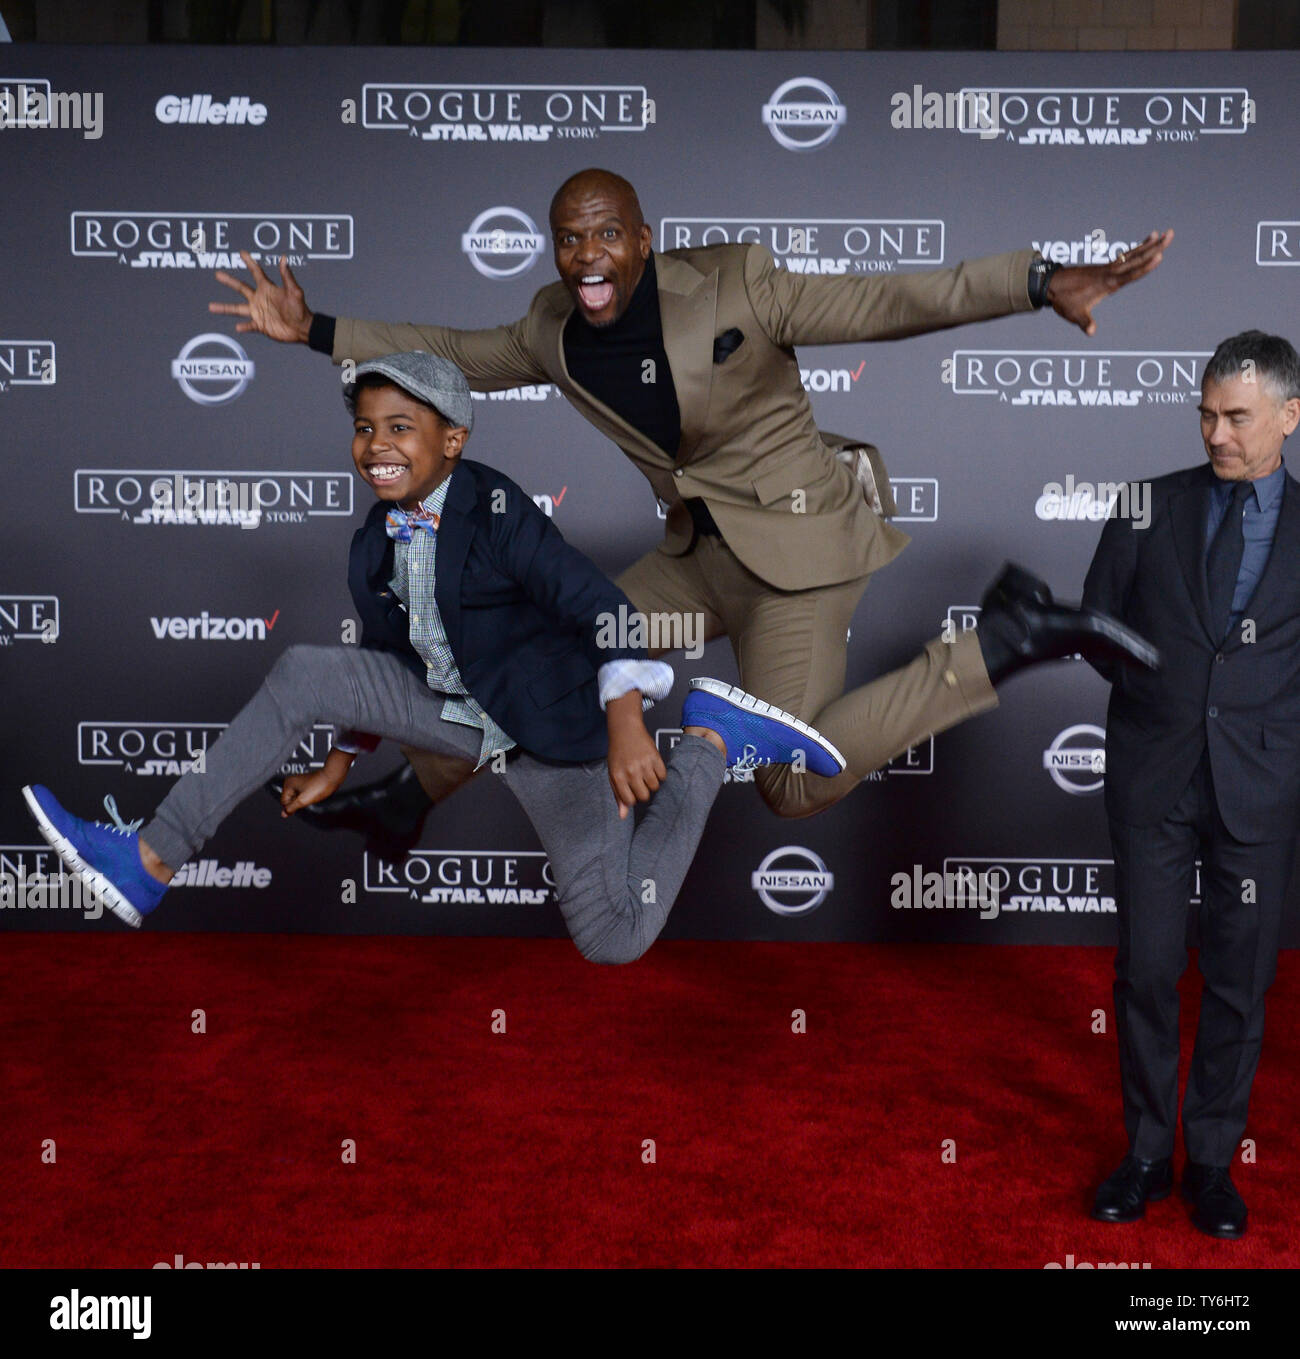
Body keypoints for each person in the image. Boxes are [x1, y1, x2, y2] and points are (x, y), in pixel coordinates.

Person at [210, 168, 1169, 845]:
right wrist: (317, 331)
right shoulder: (552, 326)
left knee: (791, 788)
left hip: (797, 560)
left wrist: (1039, 282)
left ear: (644, 239)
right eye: (570, 237)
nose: (588, 255)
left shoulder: (738, 286)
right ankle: (406, 802)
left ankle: (1000, 643)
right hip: (696, 558)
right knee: (540, 656)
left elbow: (892, 299)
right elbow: (456, 354)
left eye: (607, 234)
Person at [22, 352, 846, 965]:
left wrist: (629, 721)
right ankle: (147, 860)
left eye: (400, 428)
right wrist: (343, 758)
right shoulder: (370, 548)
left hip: (554, 724)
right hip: (461, 712)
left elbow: (600, 606)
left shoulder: (494, 508)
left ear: (453, 440)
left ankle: (708, 736)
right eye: (365, 428)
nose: (376, 445)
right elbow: (384, 666)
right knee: (309, 671)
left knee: (615, 938)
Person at [1082, 330, 1300, 1240]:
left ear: (1289, 416)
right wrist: (1159, 681)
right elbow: (1096, 628)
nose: (1217, 434)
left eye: (1238, 417)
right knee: (1148, 970)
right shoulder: (1143, 505)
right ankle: (1143, 1154)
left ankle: (1212, 1160)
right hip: (1154, 775)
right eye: (1207, 414)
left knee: (1241, 982)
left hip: (1258, 784)